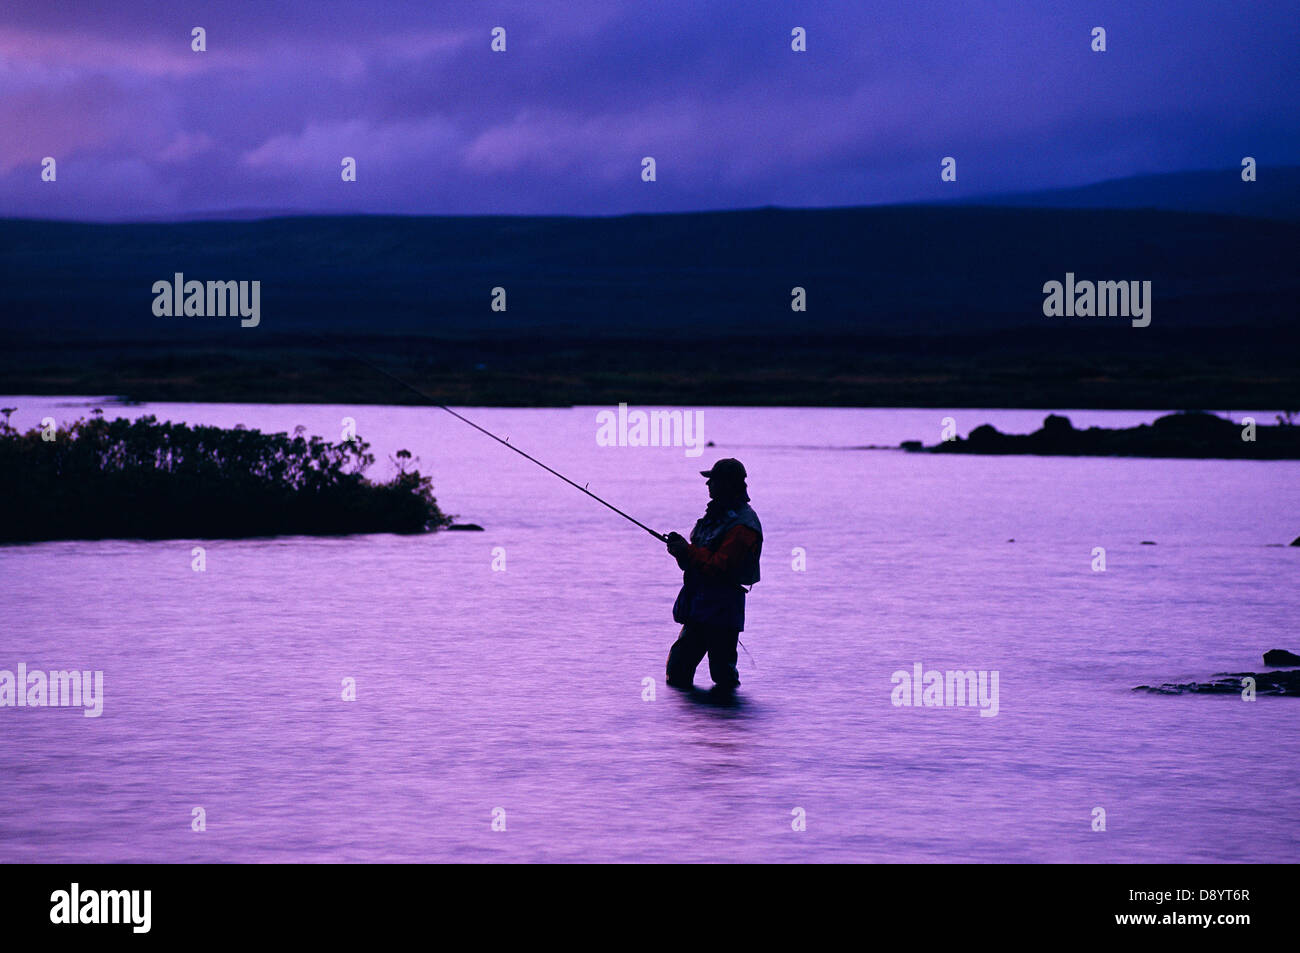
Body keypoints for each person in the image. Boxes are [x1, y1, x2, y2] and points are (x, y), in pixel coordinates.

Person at [664, 458, 762, 692]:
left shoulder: (743, 526)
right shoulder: (715, 516)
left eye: (713, 480)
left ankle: (728, 718)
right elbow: (696, 562)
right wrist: (681, 552)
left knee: (722, 674)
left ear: (727, 484)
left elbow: (720, 567)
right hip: (699, 606)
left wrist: (687, 551)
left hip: (723, 610)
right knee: (677, 669)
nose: (708, 485)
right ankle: (711, 714)